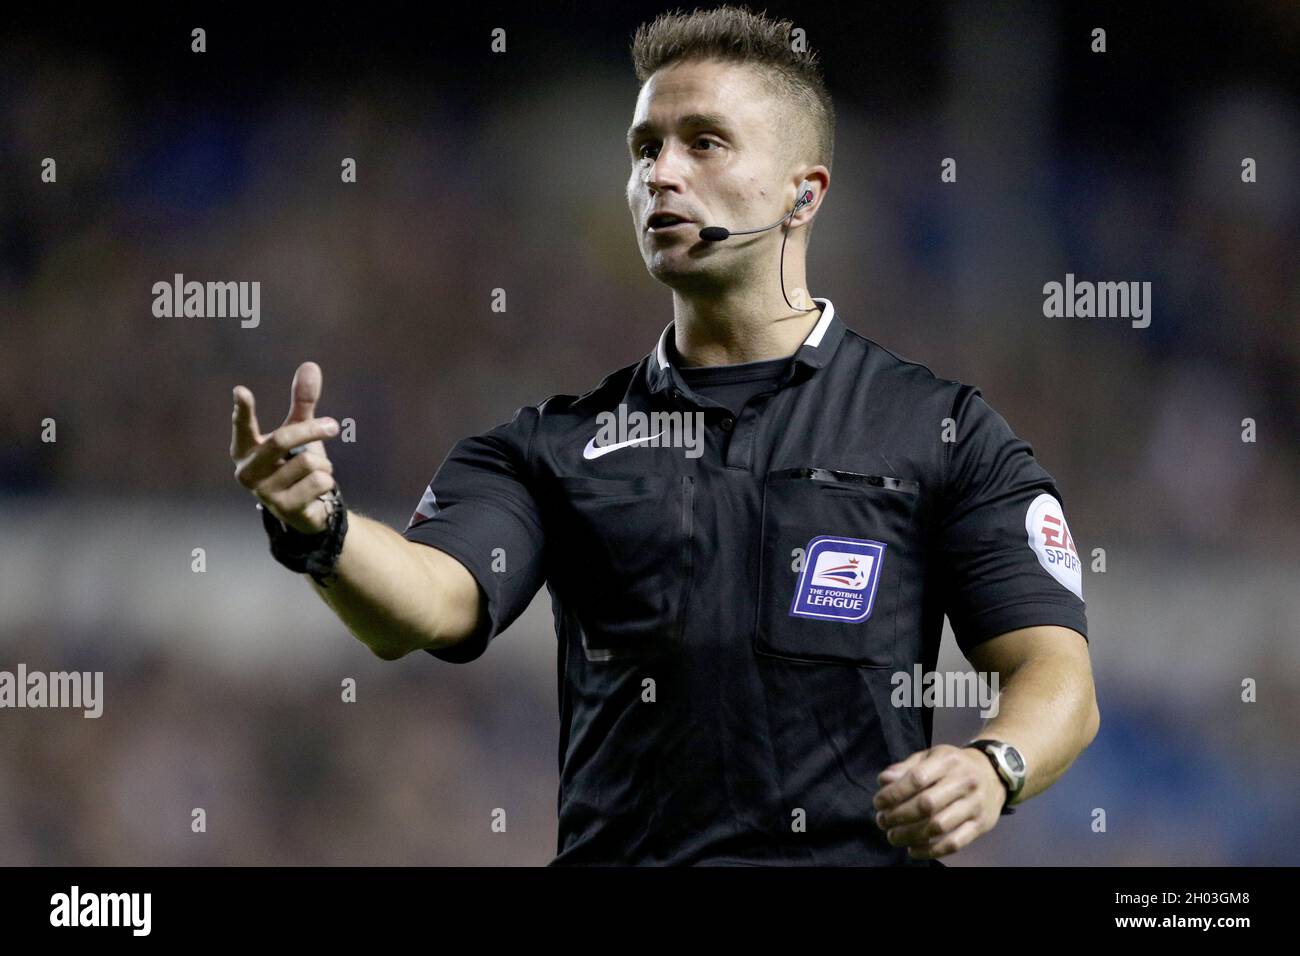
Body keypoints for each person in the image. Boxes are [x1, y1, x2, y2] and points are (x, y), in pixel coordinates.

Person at [230, 6, 1099, 865]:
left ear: (806, 191)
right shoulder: (552, 446)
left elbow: (1057, 675)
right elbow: (426, 602)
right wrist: (323, 529)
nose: (662, 175)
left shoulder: (940, 429)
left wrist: (995, 767)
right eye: (645, 149)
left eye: (704, 143)